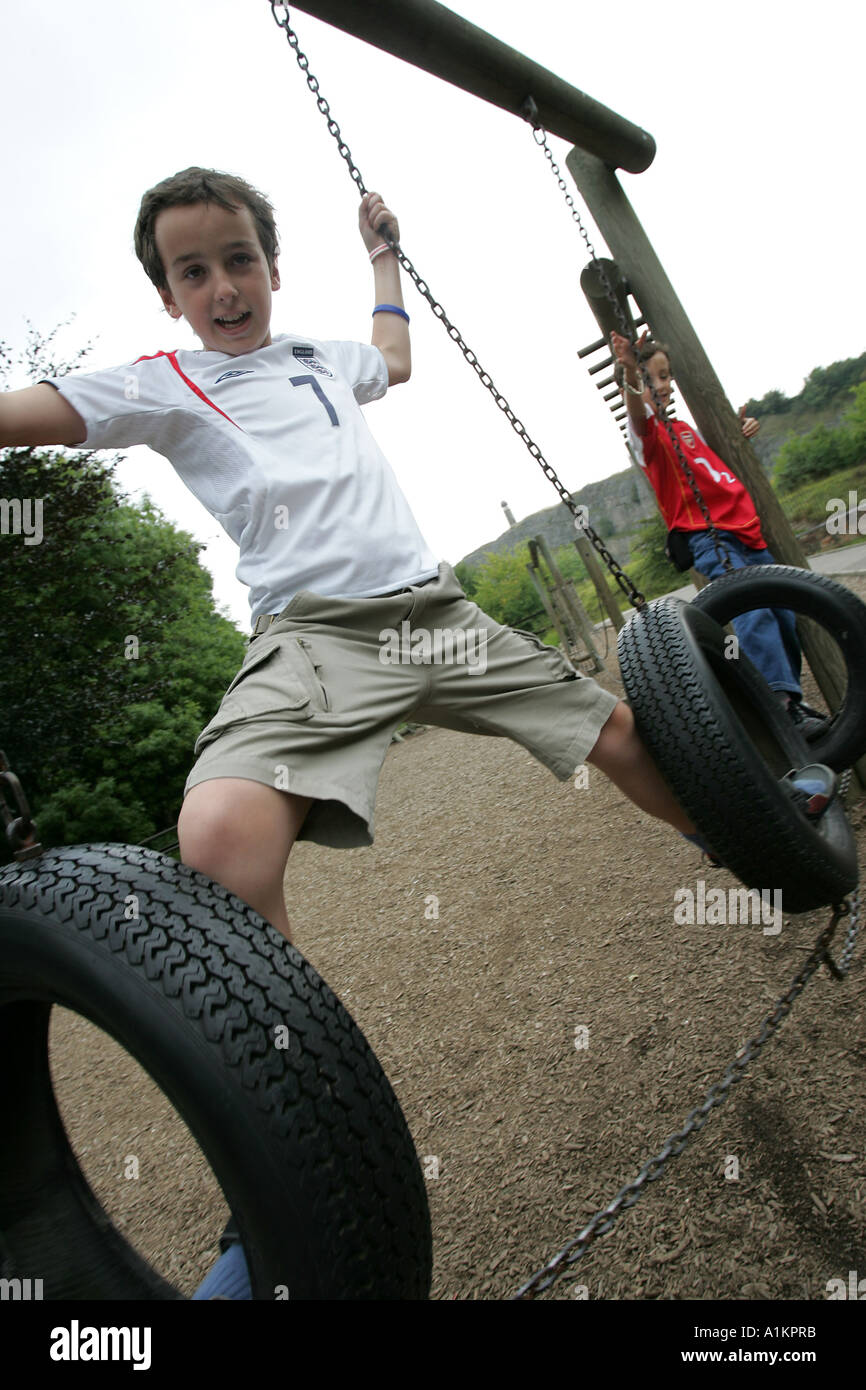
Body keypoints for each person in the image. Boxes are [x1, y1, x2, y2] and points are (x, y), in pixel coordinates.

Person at [0, 169, 791, 1296]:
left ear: (272, 267)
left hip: (429, 614)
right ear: (168, 295)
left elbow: (399, 357)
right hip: (311, 637)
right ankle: (284, 1146)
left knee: (612, 727)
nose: (222, 284)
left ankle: (748, 848)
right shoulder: (163, 383)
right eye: (193, 270)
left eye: (238, 258)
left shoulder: (325, 357)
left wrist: (382, 254)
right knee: (219, 833)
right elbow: (25, 412)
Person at [610, 329, 825, 738]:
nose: (664, 384)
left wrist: (737, 429)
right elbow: (636, 411)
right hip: (710, 537)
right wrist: (629, 374)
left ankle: (786, 697)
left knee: (782, 614)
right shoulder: (648, 439)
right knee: (752, 610)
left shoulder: (687, 430)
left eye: (666, 375)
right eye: (654, 377)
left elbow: (717, 457)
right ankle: (782, 705)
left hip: (748, 532)